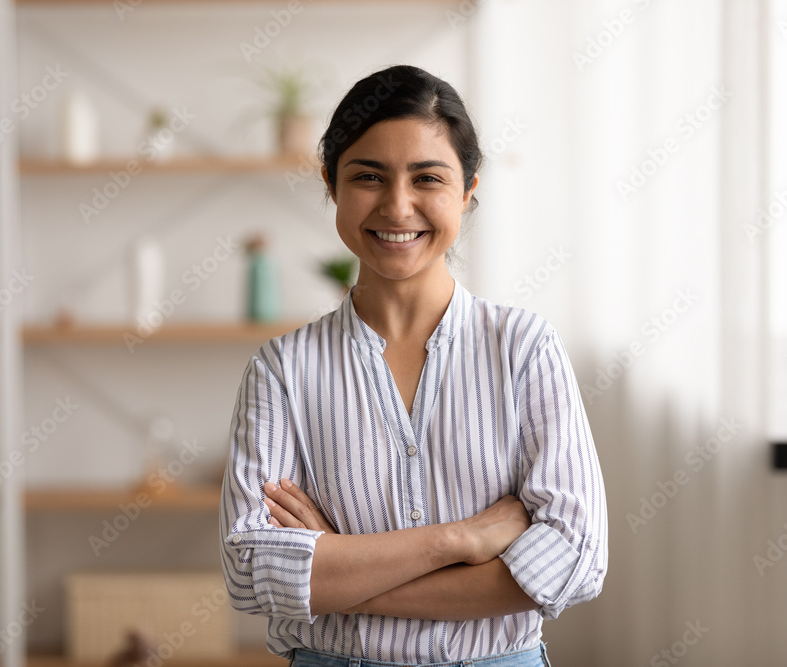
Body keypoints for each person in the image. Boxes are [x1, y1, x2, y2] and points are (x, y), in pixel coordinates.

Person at [220, 64, 607, 667]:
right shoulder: (281, 371)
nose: (397, 207)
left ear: (468, 190)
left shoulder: (524, 348)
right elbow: (250, 570)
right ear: (331, 184)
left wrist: (340, 564)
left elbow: (574, 560)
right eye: (368, 176)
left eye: (427, 177)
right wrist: (460, 541)